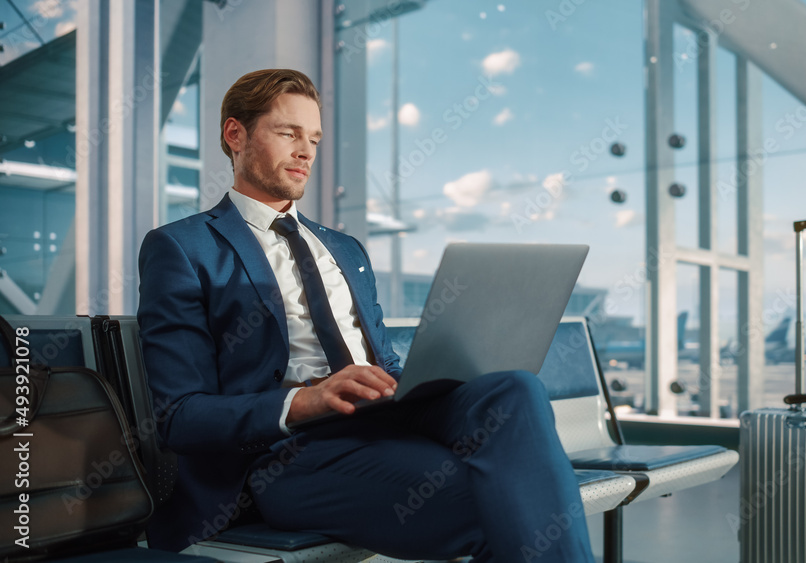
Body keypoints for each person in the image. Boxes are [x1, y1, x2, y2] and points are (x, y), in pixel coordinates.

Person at [136, 68, 595, 562]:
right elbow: (180, 417)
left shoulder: (344, 248)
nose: (305, 151)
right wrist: (308, 400)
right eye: (288, 133)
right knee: (512, 503)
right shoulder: (184, 247)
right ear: (235, 135)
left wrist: (418, 379)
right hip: (288, 455)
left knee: (514, 387)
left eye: (313, 138)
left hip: (384, 418)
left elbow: (381, 358)